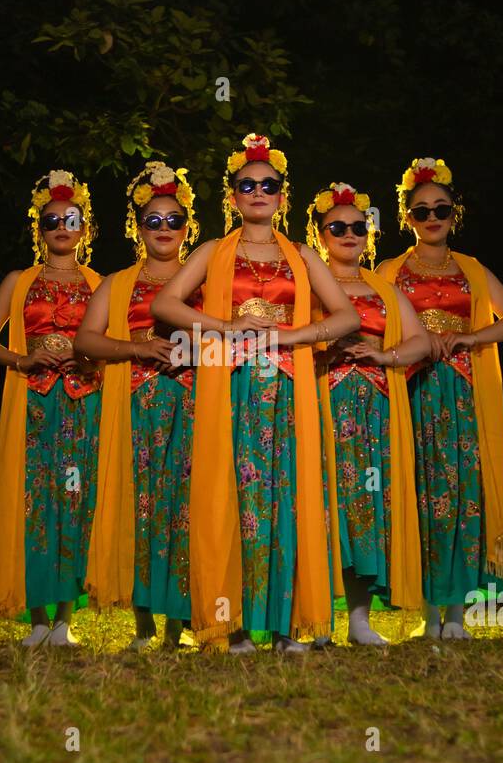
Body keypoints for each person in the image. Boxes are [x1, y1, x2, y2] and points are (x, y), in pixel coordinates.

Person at [152, 133, 360, 654]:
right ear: (233, 196)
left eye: (269, 185)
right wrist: (223, 325)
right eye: (248, 185)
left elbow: (347, 317)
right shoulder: (211, 252)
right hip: (233, 387)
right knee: (233, 499)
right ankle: (235, 624)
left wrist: (292, 335)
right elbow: (166, 304)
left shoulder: (303, 256)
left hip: (289, 391)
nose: (259, 192)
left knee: (288, 499)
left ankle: (287, 627)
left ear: (282, 196)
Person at [375, 158, 503, 639]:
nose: (432, 217)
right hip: (412, 392)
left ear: (454, 213)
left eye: (441, 208)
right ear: (407, 218)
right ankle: (426, 614)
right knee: (418, 493)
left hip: (462, 395)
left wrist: (470, 338)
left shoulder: (472, 270)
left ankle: (457, 615)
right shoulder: (389, 271)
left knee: (462, 494)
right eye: (421, 212)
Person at [76, 162, 200, 650]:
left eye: (173, 220)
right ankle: (145, 624)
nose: (164, 228)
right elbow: (86, 340)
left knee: (185, 509)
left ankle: (181, 622)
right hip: (138, 408)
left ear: (186, 228)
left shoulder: (202, 279)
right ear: (138, 227)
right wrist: (136, 348)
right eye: (153, 220)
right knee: (143, 509)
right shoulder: (117, 283)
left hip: (194, 407)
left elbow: (228, 332)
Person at [0, 170, 101, 646]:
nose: (62, 226)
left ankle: (65, 621)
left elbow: (113, 342)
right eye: (52, 220)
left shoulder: (99, 282)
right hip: (34, 405)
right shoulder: (19, 281)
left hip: (84, 402)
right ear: (41, 228)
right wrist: (22, 358)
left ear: (85, 227)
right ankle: (37, 620)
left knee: (76, 503)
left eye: (71, 219)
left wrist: (86, 354)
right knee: (32, 503)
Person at [306, 181, 428, 645]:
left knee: (366, 507)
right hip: (321, 402)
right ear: (321, 233)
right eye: (338, 226)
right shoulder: (308, 283)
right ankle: (315, 617)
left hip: (374, 407)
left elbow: (419, 340)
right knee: (320, 504)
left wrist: (386, 357)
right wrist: (322, 347)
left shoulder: (381, 286)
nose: (349, 234)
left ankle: (359, 620)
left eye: (358, 226)